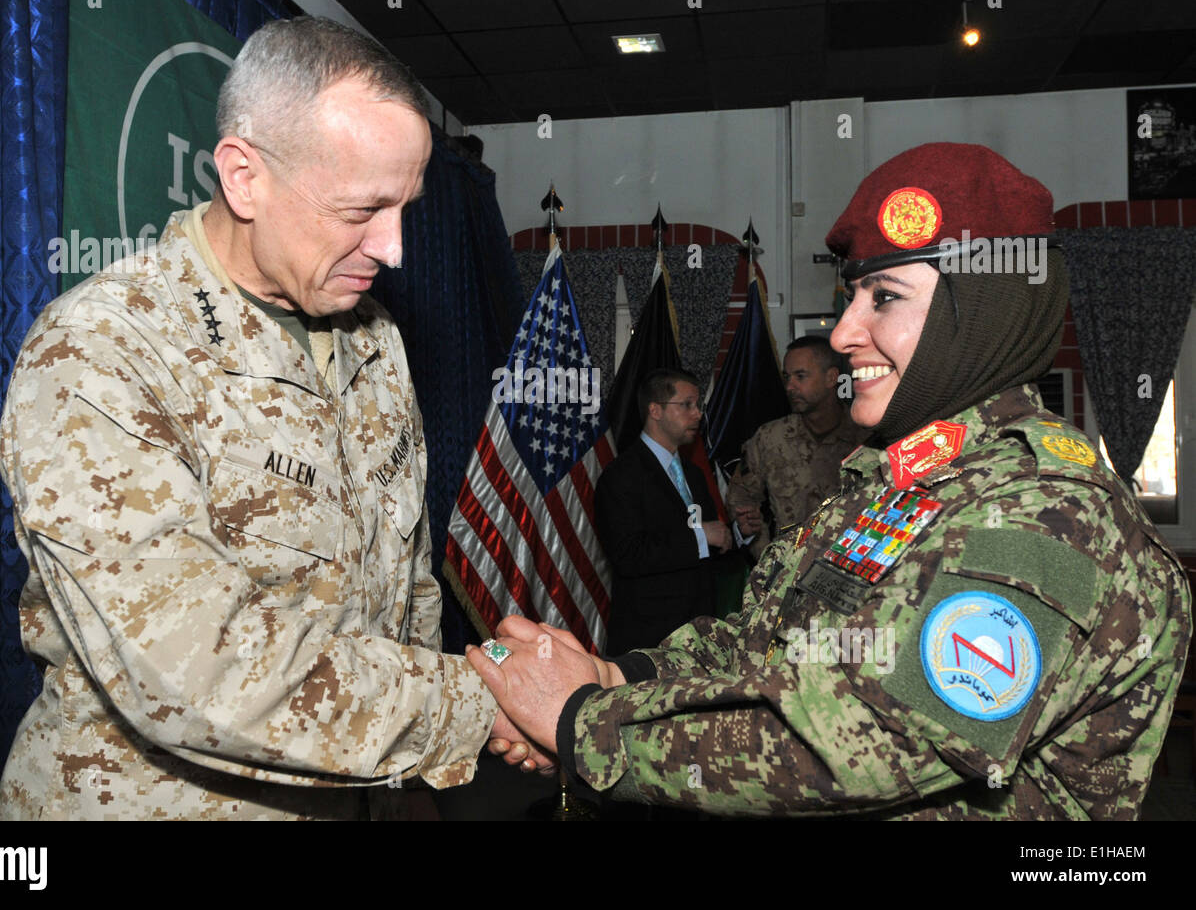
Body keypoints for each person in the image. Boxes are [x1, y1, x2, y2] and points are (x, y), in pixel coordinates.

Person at [470, 142, 1192, 819]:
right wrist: (616, 676)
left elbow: (863, 742)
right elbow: (769, 645)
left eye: (884, 297)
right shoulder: (896, 480)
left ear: (982, 314)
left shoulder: (1047, 510)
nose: (843, 334)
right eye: (852, 296)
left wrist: (581, 723)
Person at [0, 17, 536, 819]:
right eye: (361, 209)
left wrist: (487, 683)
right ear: (244, 178)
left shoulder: (373, 338)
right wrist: (491, 701)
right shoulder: (102, 350)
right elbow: (194, 668)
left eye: (404, 209)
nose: (392, 249)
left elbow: (406, 592)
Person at [594, 369, 731, 654]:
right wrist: (700, 536)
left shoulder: (692, 473)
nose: (697, 415)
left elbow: (706, 551)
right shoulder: (622, 475)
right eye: (687, 405)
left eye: (698, 406)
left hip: (699, 635)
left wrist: (737, 533)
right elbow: (628, 555)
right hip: (649, 640)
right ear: (655, 410)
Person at [727, 336, 864, 560]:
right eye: (787, 377)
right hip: (787, 575)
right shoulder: (770, 438)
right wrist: (766, 557)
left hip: (852, 571)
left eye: (801, 376)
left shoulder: (866, 438)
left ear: (831, 378)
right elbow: (741, 498)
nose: (790, 386)